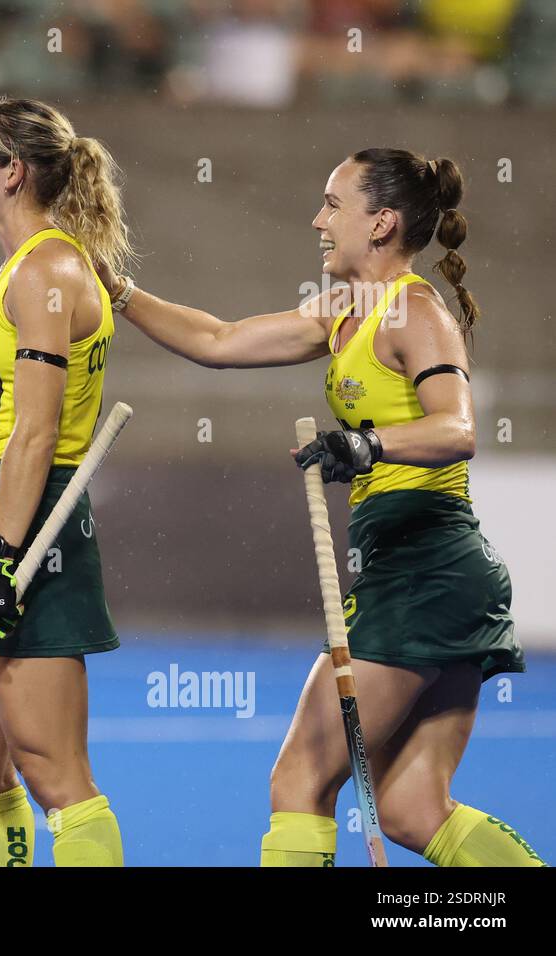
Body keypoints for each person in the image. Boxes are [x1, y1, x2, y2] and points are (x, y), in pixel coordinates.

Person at [116, 147, 545, 866]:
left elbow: (459, 429)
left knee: (300, 780)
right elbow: (217, 342)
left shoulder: (413, 311)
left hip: (425, 569)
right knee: (412, 808)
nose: (318, 219)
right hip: (438, 580)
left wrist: (365, 447)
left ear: (380, 223)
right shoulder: (345, 312)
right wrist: (118, 291)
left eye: (333, 204)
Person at [0, 97, 129, 867]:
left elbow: (41, 433)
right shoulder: (28, 267)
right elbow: (22, 412)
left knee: (54, 770)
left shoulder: (47, 269)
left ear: (12, 172)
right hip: (0, 512)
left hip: (32, 528)